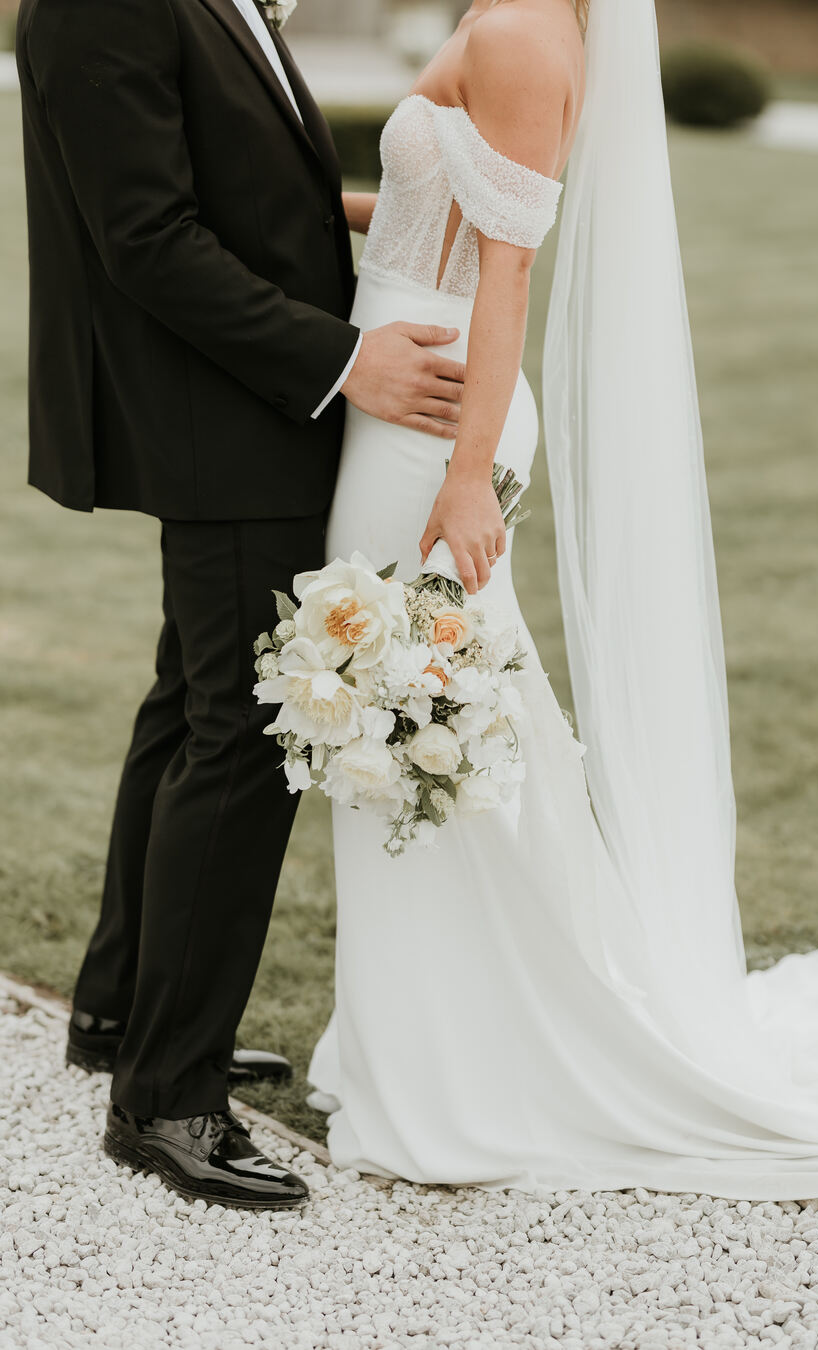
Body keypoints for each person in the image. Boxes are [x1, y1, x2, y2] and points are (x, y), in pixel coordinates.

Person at [307, 0, 818, 1197]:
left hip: (439, 423)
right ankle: (420, 1035)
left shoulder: (526, 36)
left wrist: (471, 480)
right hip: (407, 382)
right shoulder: (504, 15)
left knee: (414, 716)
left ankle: (481, 1057)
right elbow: (444, 223)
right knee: (411, 719)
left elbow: (510, 275)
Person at [16, 0, 468, 1210]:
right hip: (221, 418)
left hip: (243, 410)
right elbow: (147, 236)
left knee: (190, 706)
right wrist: (342, 359)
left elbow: (226, 186)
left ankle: (121, 1014)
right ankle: (168, 1096)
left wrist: (376, 224)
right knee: (248, 736)